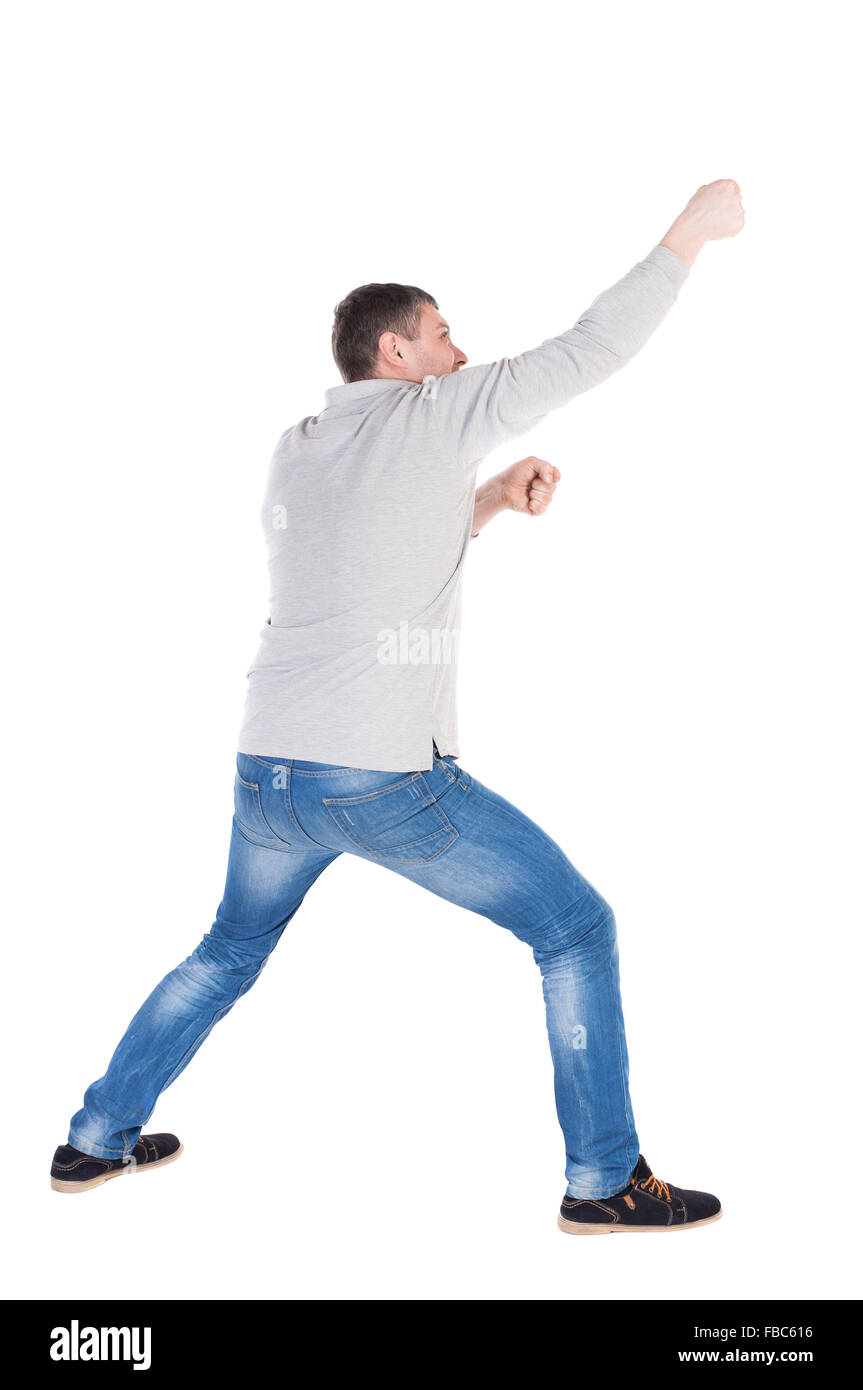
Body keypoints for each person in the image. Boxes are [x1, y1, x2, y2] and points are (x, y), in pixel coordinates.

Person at [51, 179, 744, 1233]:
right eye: (442, 332)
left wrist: (485, 504)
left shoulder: (300, 443)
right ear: (396, 356)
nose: (460, 350)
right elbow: (591, 347)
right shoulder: (436, 411)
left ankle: (95, 1139)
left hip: (269, 774)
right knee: (573, 927)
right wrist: (687, 234)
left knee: (226, 952)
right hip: (378, 778)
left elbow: (367, 558)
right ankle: (604, 1179)